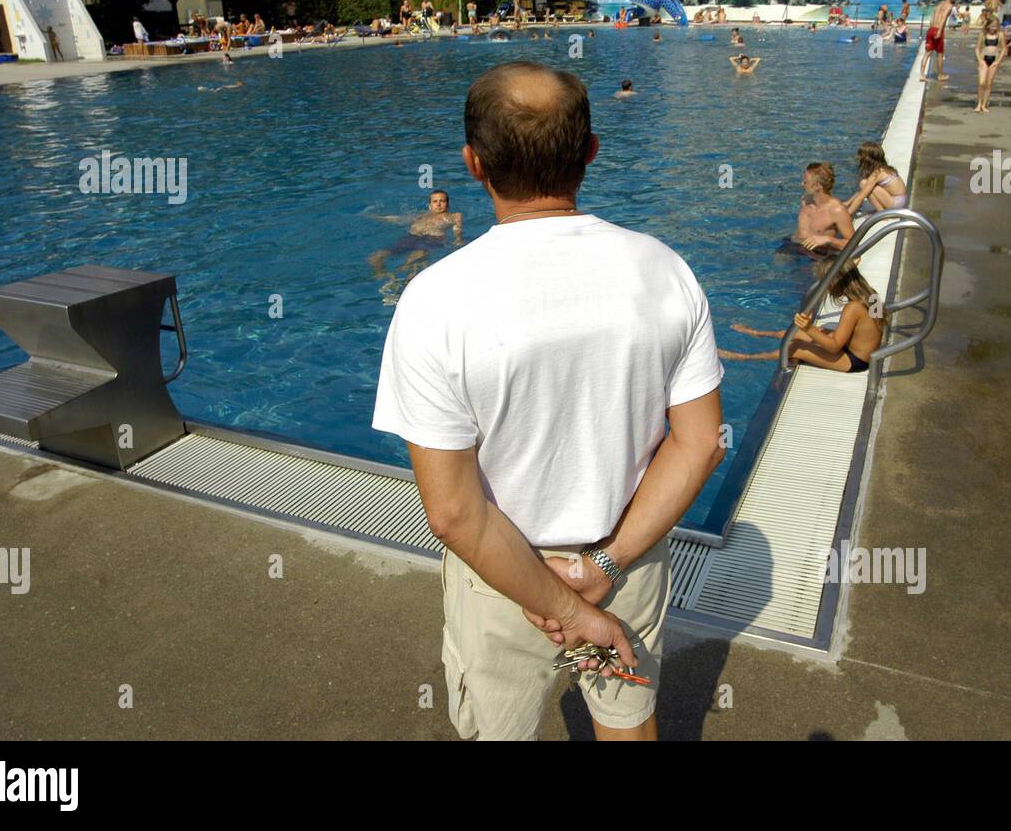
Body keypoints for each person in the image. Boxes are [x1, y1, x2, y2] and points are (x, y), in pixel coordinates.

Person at [372, 60, 725, 742]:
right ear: (590, 153)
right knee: (627, 724)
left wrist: (561, 600)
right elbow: (701, 441)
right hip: (627, 557)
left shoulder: (434, 301)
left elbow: (453, 513)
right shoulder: (664, 270)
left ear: (474, 164)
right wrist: (603, 570)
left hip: (503, 582)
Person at [720, 258, 884, 368]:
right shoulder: (871, 294)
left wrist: (809, 328)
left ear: (834, 283)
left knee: (797, 347)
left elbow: (834, 347)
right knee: (800, 333)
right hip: (861, 348)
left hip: (856, 360)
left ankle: (745, 357)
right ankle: (758, 333)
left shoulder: (853, 308)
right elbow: (877, 324)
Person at [368, 190, 465, 297]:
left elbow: (458, 231)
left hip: (431, 240)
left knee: (412, 261)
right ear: (430, 205)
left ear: (447, 203)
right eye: (435, 201)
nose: (438, 204)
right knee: (375, 257)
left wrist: (458, 240)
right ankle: (383, 280)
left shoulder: (454, 216)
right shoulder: (421, 216)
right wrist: (377, 217)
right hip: (410, 238)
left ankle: (403, 291)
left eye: (442, 201)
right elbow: (399, 219)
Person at [785, 162, 853, 254]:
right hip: (794, 245)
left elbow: (853, 244)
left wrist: (829, 239)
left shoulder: (837, 210)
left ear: (817, 186)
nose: (802, 184)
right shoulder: (805, 200)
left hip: (817, 254)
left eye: (805, 182)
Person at [845, 142, 907, 214]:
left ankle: (881, 213)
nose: (858, 158)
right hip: (901, 201)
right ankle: (881, 211)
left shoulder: (876, 174)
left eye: (860, 155)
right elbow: (864, 191)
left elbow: (861, 197)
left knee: (863, 184)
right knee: (865, 185)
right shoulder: (883, 169)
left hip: (895, 203)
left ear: (867, 159)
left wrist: (847, 214)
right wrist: (848, 202)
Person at [919, 0, 954, 82]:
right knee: (939, 54)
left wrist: (931, 29)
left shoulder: (939, 5)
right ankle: (940, 75)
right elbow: (943, 18)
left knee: (927, 53)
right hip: (938, 29)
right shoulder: (949, 6)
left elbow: (932, 17)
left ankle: (922, 75)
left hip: (931, 29)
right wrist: (939, 31)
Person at [974, 16, 1007, 113]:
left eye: (996, 26)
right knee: (981, 82)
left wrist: (998, 61)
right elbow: (977, 48)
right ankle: (979, 103)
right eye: (992, 26)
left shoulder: (1000, 35)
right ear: (988, 26)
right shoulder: (983, 34)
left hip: (994, 60)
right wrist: (979, 60)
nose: (994, 28)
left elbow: (1004, 48)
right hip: (984, 59)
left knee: (988, 84)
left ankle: (984, 104)